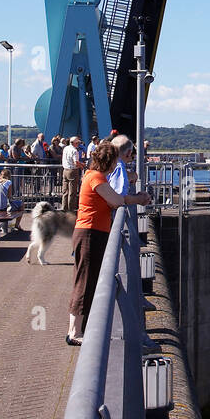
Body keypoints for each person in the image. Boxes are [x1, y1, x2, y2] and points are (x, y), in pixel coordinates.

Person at [66, 141, 151, 346]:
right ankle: (74, 332)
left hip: (93, 232)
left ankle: (80, 327)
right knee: (85, 282)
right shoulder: (96, 178)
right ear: (110, 161)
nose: (116, 165)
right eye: (115, 161)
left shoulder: (94, 176)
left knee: (89, 279)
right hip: (90, 233)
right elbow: (116, 201)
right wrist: (138, 198)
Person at [60, 135, 83, 211]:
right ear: (74, 143)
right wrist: (82, 165)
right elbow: (76, 163)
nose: (78, 144)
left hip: (65, 170)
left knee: (65, 191)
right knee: (72, 192)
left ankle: (64, 207)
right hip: (72, 171)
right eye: (77, 143)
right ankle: (71, 209)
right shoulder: (75, 151)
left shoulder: (66, 148)